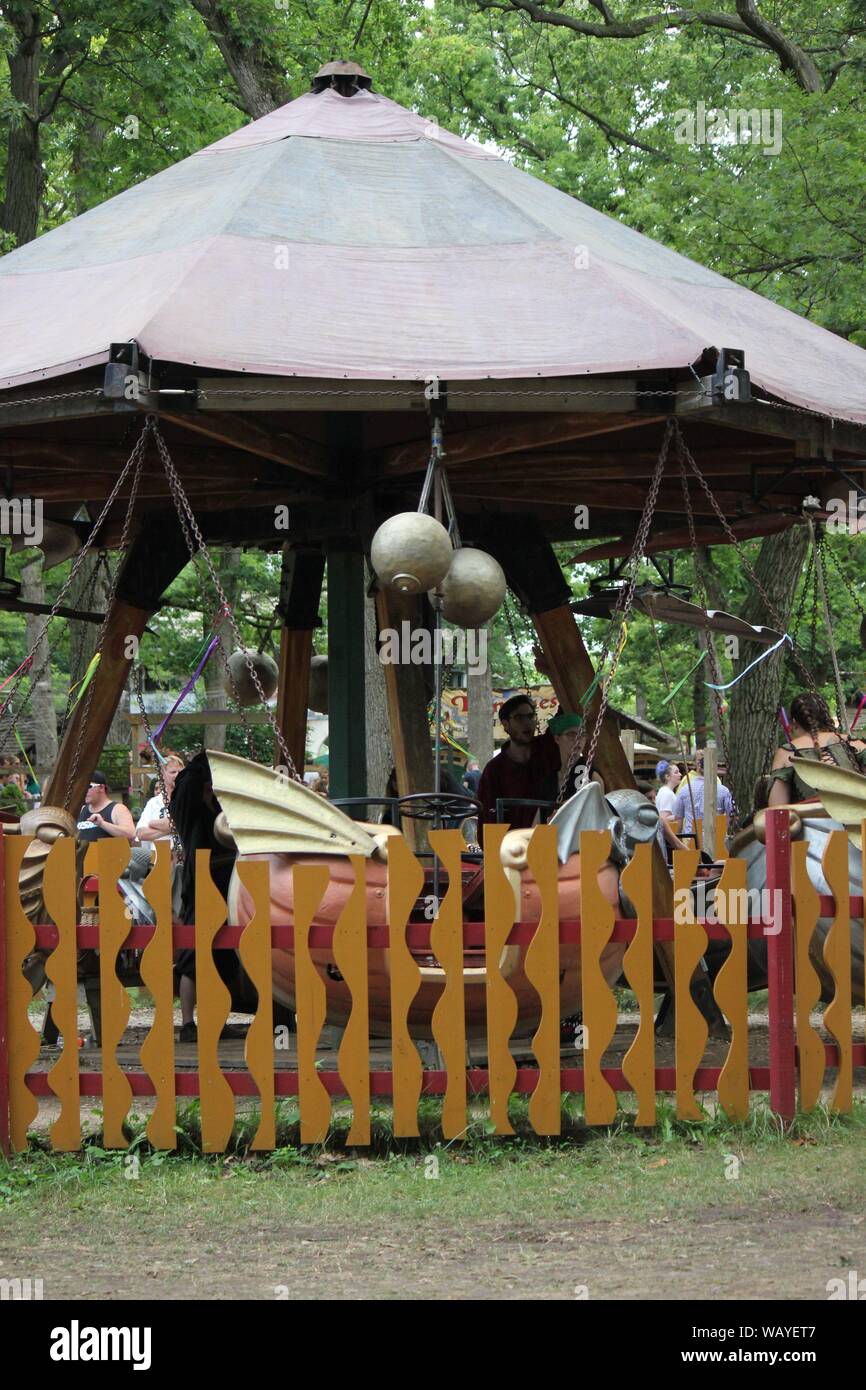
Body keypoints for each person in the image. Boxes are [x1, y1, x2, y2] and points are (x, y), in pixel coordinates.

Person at [477, 694, 563, 833]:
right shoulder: (494, 770)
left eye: (530, 716)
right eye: (519, 718)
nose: (527, 722)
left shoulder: (548, 749)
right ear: (505, 725)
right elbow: (487, 822)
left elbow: (566, 712)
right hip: (514, 848)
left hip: (553, 842)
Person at [767, 691, 866, 807]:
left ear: (794, 723)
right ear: (826, 717)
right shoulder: (852, 742)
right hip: (858, 817)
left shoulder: (787, 752)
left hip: (814, 821)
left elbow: (777, 808)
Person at [671, 747, 734, 838]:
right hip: (716, 840)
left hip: (692, 841)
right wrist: (725, 831)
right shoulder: (723, 790)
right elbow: (731, 814)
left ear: (699, 767)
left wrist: (678, 843)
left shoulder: (685, 789)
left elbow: (678, 818)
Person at [76, 770, 136, 843]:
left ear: (101, 787)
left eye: (88, 786)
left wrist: (102, 824)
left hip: (109, 853)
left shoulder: (117, 809)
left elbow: (131, 834)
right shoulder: (81, 810)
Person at [655, 759, 682, 825]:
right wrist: (681, 815)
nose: (680, 774)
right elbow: (663, 818)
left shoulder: (665, 791)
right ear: (667, 776)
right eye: (676, 772)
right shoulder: (667, 793)